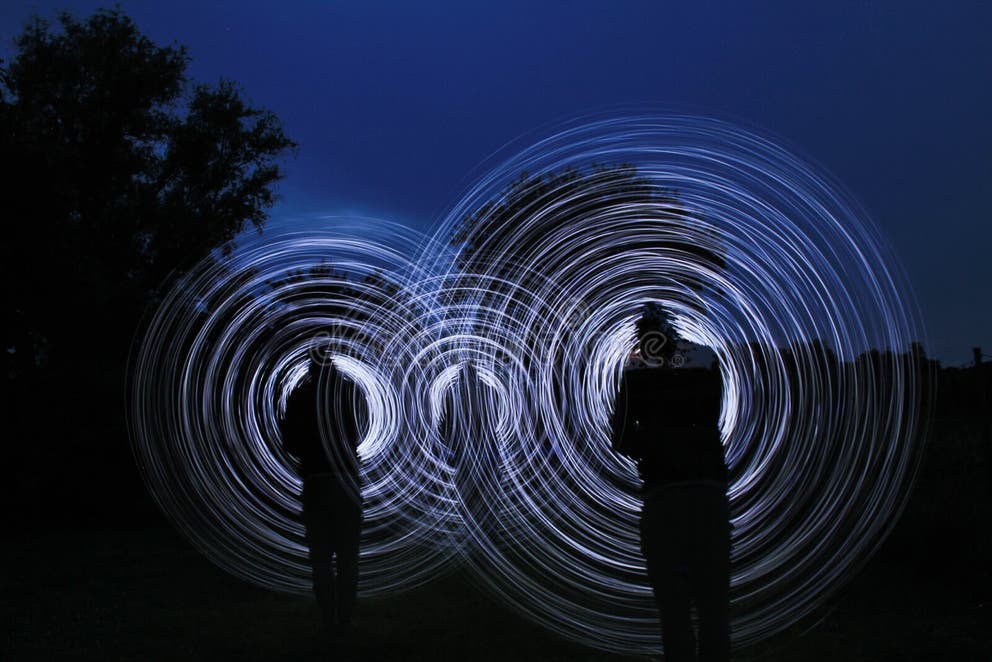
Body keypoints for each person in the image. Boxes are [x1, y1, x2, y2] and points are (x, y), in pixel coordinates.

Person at [611, 304, 730, 661]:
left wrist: (650, 445)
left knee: (674, 611)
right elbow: (712, 417)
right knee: (714, 608)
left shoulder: (634, 368)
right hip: (708, 490)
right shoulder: (707, 359)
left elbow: (619, 437)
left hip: (663, 494)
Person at [281, 356, 365, 641]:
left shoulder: (300, 396)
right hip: (345, 481)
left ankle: (329, 619)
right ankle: (345, 619)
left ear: (309, 370)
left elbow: (289, 441)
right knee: (348, 557)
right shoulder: (348, 393)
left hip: (315, 482)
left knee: (320, 557)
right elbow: (361, 430)